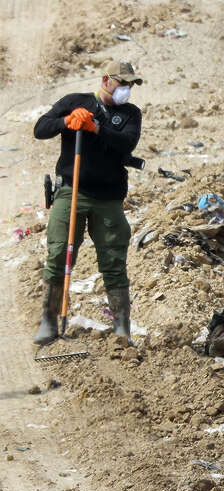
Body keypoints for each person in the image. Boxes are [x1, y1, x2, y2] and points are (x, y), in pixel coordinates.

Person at [32, 60, 143, 344]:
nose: (127, 90)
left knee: (114, 261)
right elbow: (41, 128)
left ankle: (121, 327)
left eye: (130, 85)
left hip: (108, 198)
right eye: (122, 83)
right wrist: (66, 122)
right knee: (59, 254)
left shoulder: (131, 114)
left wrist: (95, 128)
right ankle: (49, 319)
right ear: (106, 80)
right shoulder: (75, 101)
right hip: (72, 190)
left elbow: (125, 144)